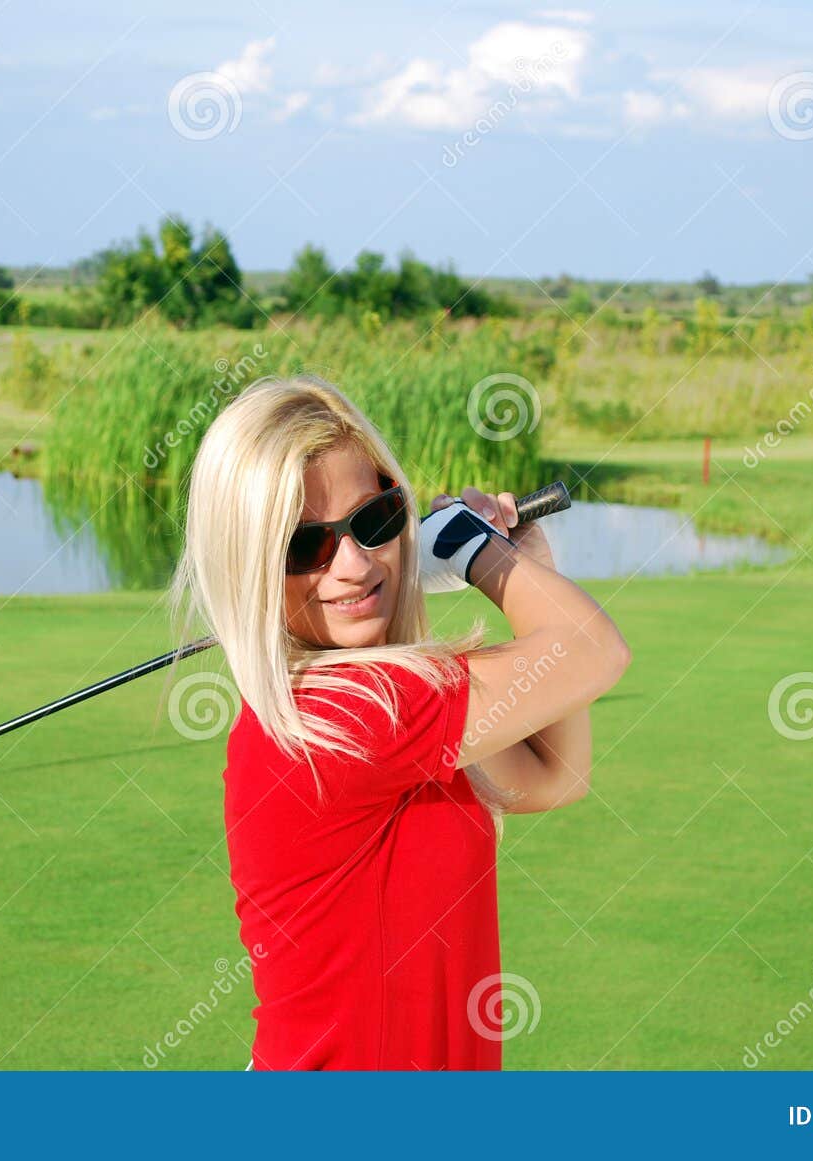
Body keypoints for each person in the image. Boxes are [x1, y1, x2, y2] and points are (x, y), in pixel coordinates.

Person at [167, 374, 630, 1070]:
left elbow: (552, 776)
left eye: (375, 521)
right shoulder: (350, 714)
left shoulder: (376, 716)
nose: (353, 565)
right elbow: (594, 650)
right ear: (250, 564)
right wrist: (480, 551)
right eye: (304, 546)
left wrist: (530, 566)